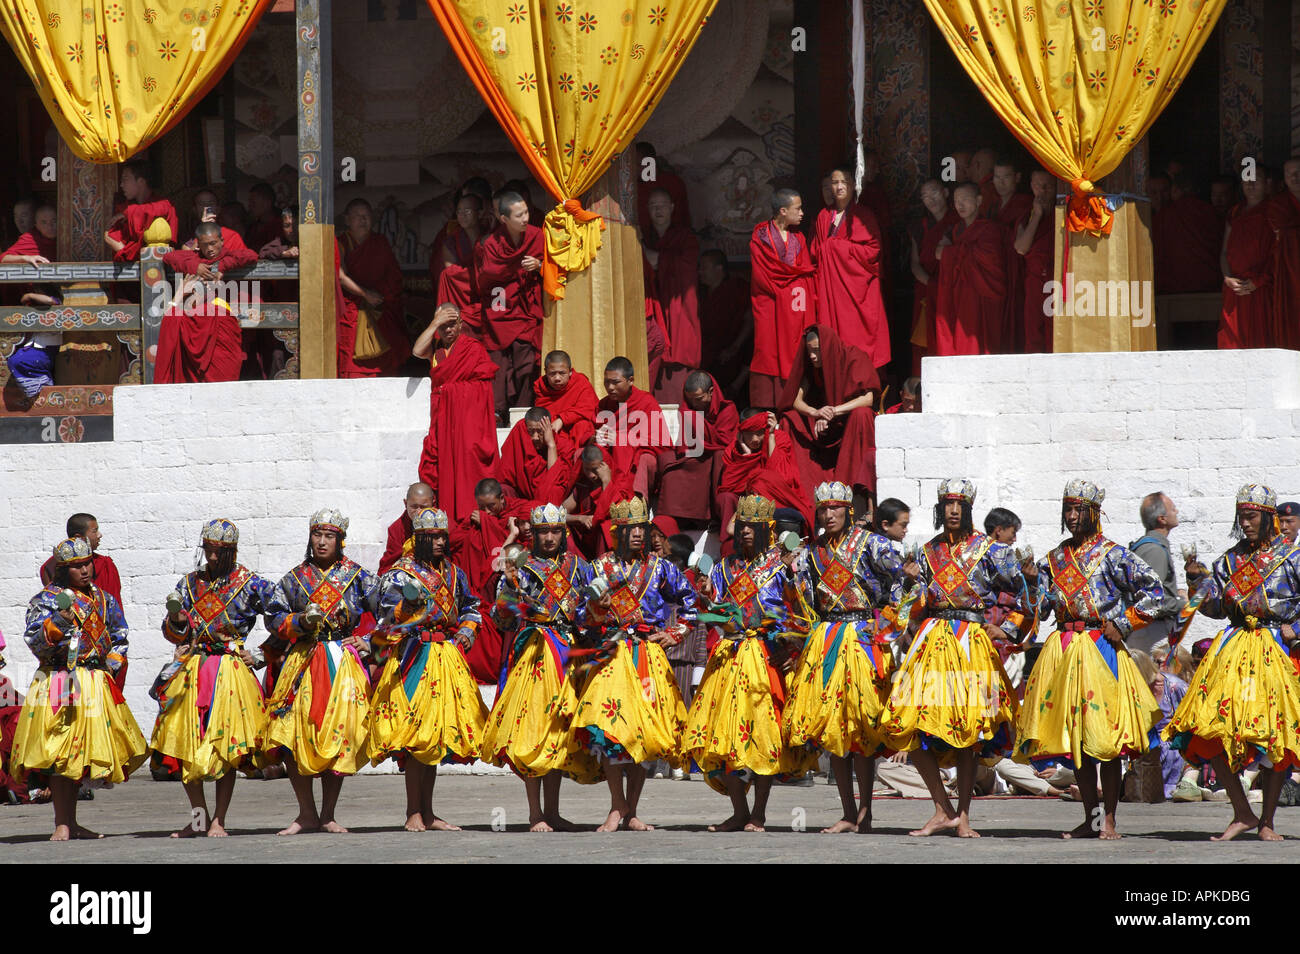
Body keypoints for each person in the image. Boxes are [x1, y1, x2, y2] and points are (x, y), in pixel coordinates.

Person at [1016, 480, 1176, 839]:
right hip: (1062, 651)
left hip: (1100, 649)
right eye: (1068, 510)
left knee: (1104, 739)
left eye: (1079, 510)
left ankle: (1110, 820)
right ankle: (1091, 818)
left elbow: (1156, 592)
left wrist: (1124, 622)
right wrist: (1028, 583)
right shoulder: (1054, 559)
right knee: (1078, 743)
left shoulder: (1114, 555)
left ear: (1094, 513)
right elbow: (1038, 612)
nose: (1073, 517)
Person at [879, 478, 1028, 837]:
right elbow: (910, 610)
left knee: (971, 729)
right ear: (940, 507)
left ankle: (963, 816)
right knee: (909, 722)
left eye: (960, 503)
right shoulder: (926, 552)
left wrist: (1006, 630)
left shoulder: (991, 550)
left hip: (970, 645)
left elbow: (1023, 592)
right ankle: (941, 808)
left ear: (969, 508)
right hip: (931, 643)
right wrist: (911, 584)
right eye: (948, 502)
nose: (954, 509)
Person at [1165, 484, 1300, 841]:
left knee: (1276, 736)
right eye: (1241, 515)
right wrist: (1197, 580)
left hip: (1276, 651)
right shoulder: (1228, 561)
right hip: (1233, 650)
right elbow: (1216, 608)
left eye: (1252, 515)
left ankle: (1267, 821)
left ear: (1269, 517)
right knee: (1209, 729)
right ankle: (1242, 811)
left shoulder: (1294, 554)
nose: (1245, 522)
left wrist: (1295, 627)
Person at [686, 494, 812, 831]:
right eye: (741, 526)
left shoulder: (781, 565)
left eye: (752, 527)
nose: (745, 533)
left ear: (767, 529)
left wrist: (792, 647)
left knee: (763, 733)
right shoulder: (724, 567)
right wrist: (707, 599)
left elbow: (798, 610)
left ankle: (759, 812)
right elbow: (714, 615)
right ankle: (739, 810)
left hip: (764, 655)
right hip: (729, 656)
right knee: (725, 735)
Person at [785, 481, 905, 833]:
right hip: (826, 639)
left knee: (862, 725)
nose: (829, 514)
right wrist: (792, 575)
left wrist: (886, 622)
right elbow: (804, 600)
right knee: (833, 728)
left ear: (847, 510)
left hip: (863, 640)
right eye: (823, 509)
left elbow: (906, 580)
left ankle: (866, 810)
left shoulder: (873, 544)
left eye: (836, 508)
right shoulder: (810, 551)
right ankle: (848, 812)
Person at [11, 537, 147, 839]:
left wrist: (107, 669)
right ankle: (61, 822)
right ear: (62, 570)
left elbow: (119, 636)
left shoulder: (103, 598)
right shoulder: (46, 599)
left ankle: (72, 823)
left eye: (87, 564)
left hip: (94, 680)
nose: (84, 571)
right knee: (60, 751)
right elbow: (35, 641)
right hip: (60, 680)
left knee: (80, 754)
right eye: (76, 567)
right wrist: (59, 621)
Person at [577, 495, 694, 830]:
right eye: (631, 529)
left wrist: (675, 632)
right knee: (611, 730)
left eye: (642, 527)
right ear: (617, 532)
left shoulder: (662, 567)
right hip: (612, 655)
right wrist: (598, 609)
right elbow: (581, 617)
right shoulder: (599, 568)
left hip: (647, 655)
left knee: (643, 732)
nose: (639, 535)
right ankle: (617, 806)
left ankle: (632, 810)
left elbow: (690, 602)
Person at [369, 507, 488, 832]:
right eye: (431, 537)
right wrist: (403, 608)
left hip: (445, 656)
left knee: (435, 736)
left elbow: (472, 607)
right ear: (418, 539)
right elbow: (383, 613)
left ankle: (430, 812)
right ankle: (412, 811)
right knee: (414, 734)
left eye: (441, 537)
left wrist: (465, 633)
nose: (438, 542)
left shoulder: (453, 572)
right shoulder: (401, 573)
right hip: (412, 656)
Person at [152, 519, 272, 838]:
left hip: (230, 669)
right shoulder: (190, 583)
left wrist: (259, 654)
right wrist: (177, 622)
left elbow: (283, 617)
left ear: (231, 551)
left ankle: (219, 818)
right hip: (194, 665)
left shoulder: (250, 583)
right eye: (209, 550)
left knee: (225, 745)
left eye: (220, 552)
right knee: (184, 741)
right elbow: (171, 630)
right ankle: (198, 817)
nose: (213, 558)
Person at [264, 508, 380, 835]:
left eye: (330, 536)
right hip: (303, 660)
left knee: (338, 733)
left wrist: (369, 639)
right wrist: (300, 622)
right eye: (318, 535)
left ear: (341, 540)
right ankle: (305, 813)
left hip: (342, 661)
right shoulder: (295, 578)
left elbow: (391, 607)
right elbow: (273, 615)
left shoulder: (358, 577)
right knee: (294, 732)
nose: (322, 542)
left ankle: (328, 813)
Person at [483, 503, 599, 830]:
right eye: (543, 532)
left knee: (560, 733)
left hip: (569, 657)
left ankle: (554, 811)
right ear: (533, 534)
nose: (549, 538)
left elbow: (594, 611)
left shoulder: (580, 566)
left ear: (563, 532)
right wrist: (508, 592)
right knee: (532, 730)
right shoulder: (520, 566)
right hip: (535, 654)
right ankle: (535, 813)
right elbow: (502, 619)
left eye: (555, 531)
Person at [414, 303, 501, 523]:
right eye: (444, 326)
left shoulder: (473, 349)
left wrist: (449, 391)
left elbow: (482, 389)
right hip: (442, 424)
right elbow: (416, 351)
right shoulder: (436, 352)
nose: (449, 330)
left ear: (461, 324)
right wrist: (436, 321)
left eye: (453, 325)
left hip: (467, 425)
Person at [779, 324, 878, 512]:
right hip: (824, 427)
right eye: (809, 351)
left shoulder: (853, 357)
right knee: (789, 419)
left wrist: (833, 411)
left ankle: (853, 488)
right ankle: (803, 492)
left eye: (816, 351)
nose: (812, 356)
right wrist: (815, 412)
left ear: (828, 347)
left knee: (862, 414)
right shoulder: (813, 367)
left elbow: (868, 398)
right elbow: (795, 400)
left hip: (848, 422)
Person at [449, 478, 533, 684]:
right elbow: (487, 568)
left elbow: (496, 565)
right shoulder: (476, 525)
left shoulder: (517, 514)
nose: (487, 512)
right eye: (482, 507)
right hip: (484, 599)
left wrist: (510, 533)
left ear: (503, 499)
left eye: (491, 506)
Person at [156, 222, 258, 384]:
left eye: (213, 243)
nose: (210, 249)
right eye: (205, 245)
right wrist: (195, 266)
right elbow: (169, 257)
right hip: (198, 324)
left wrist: (222, 267)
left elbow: (251, 255)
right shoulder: (195, 259)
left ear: (222, 241)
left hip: (225, 322)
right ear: (197, 244)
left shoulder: (229, 256)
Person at [475, 190, 544, 423]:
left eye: (526, 212)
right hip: (499, 310)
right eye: (519, 215)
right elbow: (487, 276)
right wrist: (514, 270)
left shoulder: (537, 236)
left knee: (526, 364)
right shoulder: (492, 244)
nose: (525, 218)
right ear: (504, 219)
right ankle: (497, 412)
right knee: (498, 366)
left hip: (525, 309)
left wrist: (540, 265)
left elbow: (557, 267)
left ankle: (522, 411)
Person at [811, 166, 889, 370]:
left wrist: (837, 247)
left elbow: (873, 251)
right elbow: (815, 254)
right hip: (831, 290)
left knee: (856, 342)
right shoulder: (823, 216)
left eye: (844, 182)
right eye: (834, 182)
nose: (839, 187)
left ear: (853, 185)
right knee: (833, 341)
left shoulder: (864, 215)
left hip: (855, 290)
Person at [749, 188, 817, 408]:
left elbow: (805, 271)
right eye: (797, 209)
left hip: (794, 307)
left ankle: (793, 405)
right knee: (768, 351)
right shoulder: (759, 237)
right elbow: (762, 277)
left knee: (795, 351)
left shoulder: (799, 238)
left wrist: (790, 291)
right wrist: (787, 290)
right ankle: (767, 407)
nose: (802, 213)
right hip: (770, 305)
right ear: (783, 211)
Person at [717, 409, 813, 553]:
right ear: (741, 433)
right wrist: (747, 457)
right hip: (747, 502)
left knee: (761, 479)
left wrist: (772, 435)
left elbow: (780, 477)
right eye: (749, 434)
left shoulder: (781, 438)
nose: (755, 439)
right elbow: (728, 484)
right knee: (726, 497)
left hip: (778, 498)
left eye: (759, 433)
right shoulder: (733, 449)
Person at [651, 370, 738, 525]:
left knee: (719, 456)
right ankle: (675, 518)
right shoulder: (687, 409)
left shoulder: (727, 409)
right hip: (693, 454)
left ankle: (714, 516)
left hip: (715, 456)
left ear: (711, 392)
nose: (694, 404)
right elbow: (685, 442)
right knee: (668, 464)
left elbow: (725, 441)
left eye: (699, 399)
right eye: (690, 400)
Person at [338, 198, 410, 377]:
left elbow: (393, 275)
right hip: (352, 304)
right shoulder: (340, 242)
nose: (363, 220)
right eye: (357, 216)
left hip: (380, 304)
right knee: (350, 357)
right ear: (347, 220)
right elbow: (340, 276)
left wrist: (383, 295)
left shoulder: (380, 242)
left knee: (388, 351)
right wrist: (364, 294)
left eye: (366, 216)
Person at [642, 187, 701, 403]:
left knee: (680, 347)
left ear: (672, 208)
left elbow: (681, 267)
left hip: (678, 305)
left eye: (663, 206)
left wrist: (651, 256)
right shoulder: (646, 236)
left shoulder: (685, 238)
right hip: (655, 303)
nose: (658, 210)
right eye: (653, 206)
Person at [933, 182, 1006, 356]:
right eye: (957, 200)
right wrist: (951, 253)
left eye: (965, 199)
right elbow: (939, 253)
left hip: (981, 292)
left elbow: (990, 260)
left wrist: (949, 253)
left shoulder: (989, 229)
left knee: (978, 340)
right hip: (960, 292)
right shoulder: (956, 230)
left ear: (979, 200)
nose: (960, 205)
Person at [595, 356, 670, 501]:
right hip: (611, 456)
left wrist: (620, 438)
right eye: (606, 382)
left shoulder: (646, 402)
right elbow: (594, 429)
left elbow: (660, 442)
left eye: (615, 382)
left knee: (644, 459)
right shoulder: (604, 405)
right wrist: (596, 436)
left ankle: (637, 507)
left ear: (630, 381)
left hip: (638, 458)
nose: (610, 387)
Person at [1219, 169, 1275, 349]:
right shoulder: (1235, 212)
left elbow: (1281, 254)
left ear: (1267, 184)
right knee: (1231, 341)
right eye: (1246, 181)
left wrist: (1259, 281)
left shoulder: (1275, 211)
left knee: (1261, 340)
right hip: (1234, 287)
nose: (1250, 185)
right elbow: (1224, 251)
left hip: (1263, 287)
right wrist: (1227, 277)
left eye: (1256, 180)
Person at [909, 180, 960, 372]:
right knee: (925, 341)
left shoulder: (958, 221)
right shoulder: (920, 227)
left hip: (953, 289)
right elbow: (914, 262)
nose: (931, 199)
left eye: (934, 193)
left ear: (946, 193)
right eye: (925, 196)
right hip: (927, 288)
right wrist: (931, 284)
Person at [1129, 492, 1184, 653]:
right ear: (1162, 519)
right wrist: (1182, 603)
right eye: (1173, 509)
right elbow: (1153, 599)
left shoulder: (1149, 547)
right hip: (1151, 636)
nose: (1177, 512)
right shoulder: (1154, 550)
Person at [989, 158, 1034, 351]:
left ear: (1017, 178)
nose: (1001, 182)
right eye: (997, 177)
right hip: (995, 268)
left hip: (1016, 267)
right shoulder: (992, 206)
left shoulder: (1025, 203)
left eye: (1006, 177)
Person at [562, 444, 635, 560]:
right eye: (587, 469)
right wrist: (580, 518)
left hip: (609, 541)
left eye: (595, 470)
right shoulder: (583, 486)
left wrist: (606, 482)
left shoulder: (620, 483)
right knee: (561, 528)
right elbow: (558, 514)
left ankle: (605, 566)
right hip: (586, 542)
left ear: (605, 465)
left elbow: (611, 513)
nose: (591, 475)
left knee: (606, 526)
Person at [698, 250, 752, 402]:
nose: (699, 272)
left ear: (719, 269)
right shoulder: (700, 292)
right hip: (707, 356)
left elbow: (749, 319)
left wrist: (735, 347)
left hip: (731, 356)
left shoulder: (736, 288)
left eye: (703, 267)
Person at [430, 192, 486, 337]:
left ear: (480, 213)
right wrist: (476, 272)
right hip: (464, 297)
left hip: (486, 294)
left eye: (467, 211)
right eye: (459, 211)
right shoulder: (451, 241)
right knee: (446, 275)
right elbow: (452, 275)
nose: (462, 215)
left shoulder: (490, 236)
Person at [39, 512, 123, 606]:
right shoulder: (51, 567)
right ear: (78, 538)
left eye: (87, 564)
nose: (99, 535)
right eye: (94, 531)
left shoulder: (104, 564)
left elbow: (113, 608)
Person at [1015, 169, 1057, 354]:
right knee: (1034, 330)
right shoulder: (1027, 217)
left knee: (1056, 330)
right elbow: (1021, 248)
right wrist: (1037, 216)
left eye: (1047, 185)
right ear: (1032, 187)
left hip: (1059, 281)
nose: (1043, 190)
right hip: (1034, 282)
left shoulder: (1063, 213)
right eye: (1038, 185)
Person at [496, 406, 575, 502]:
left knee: (554, 490)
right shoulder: (521, 437)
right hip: (523, 500)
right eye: (531, 431)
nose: (535, 437)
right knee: (502, 490)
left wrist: (551, 445)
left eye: (540, 431)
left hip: (549, 501)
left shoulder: (564, 446)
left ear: (549, 428)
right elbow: (505, 475)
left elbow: (554, 481)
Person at [104, 160, 178, 261]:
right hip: (130, 265)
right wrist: (122, 250)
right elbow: (113, 236)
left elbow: (158, 209)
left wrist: (127, 213)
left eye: (125, 179)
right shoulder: (125, 208)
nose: (121, 185)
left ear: (141, 182)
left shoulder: (163, 204)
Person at [532, 350, 600, 449]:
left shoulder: (580, 382)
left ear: (570, 372)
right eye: (552, 374)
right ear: (545, 372)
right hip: (554, 430)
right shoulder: (541, 387)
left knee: (582, 426)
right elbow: (542, 415)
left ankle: (578, 460)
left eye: (562, 373)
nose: (557, 378)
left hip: (575, 430)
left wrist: (562, 420)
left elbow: (588, 408)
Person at [1268, 158, 1300, 349]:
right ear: (1284, 179)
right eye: (1289, 174)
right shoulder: (1278, 204)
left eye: (1298, 172)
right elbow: (1278, 230)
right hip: (1288, 271)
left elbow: (1284, 232)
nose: (1295, 177)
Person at [635, 141, 692, 231]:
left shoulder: (672, 183)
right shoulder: (634, 187)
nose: (634, 169)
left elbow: (681, 218)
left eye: (638, 164)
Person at [380, 482, 435, 575]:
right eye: (414, 507)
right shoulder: (397, 529)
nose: (418, 512)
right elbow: (389, 565)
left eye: (423, 507)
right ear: (405, 503)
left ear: (433, 504)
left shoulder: (443, 523)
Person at [245, 182, 281, 252]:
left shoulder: (280, 225)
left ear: (268, 203)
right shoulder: (253, 227)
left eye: (253, 203)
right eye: (249, 202)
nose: (249, 206)